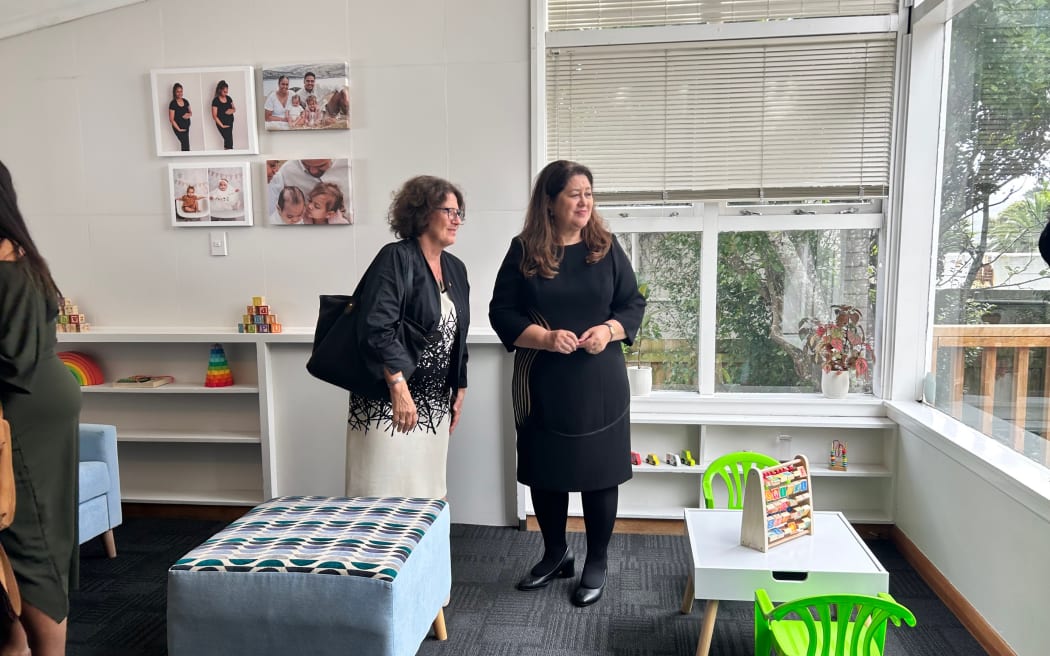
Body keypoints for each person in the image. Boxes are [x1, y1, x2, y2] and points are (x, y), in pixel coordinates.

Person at [488, 160, 645, 608]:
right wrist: (545, 337)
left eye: (589, 194)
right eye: (574, 193)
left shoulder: (606, 247)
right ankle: (555, 554)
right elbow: (502, 313)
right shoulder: (524, 251)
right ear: (550, 201)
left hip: (600, 379)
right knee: (547, 471)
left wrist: (609, 330)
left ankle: (597, 560)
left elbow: (632, 303)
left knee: (600, 474)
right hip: (543, 379)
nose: (584, 201)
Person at [344, 175, 470, 499]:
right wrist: (397, 386)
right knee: (382, 493)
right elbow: (376, 328)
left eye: (459, 213)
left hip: (433, 405)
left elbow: (458, 334)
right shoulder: (396, 257)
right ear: (423, 212)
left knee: (426, 493)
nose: (457, 220)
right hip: (390, 399)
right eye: (449, 211)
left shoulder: (455, 268)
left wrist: (461, 386)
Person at [0, 160, 81, 655]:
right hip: (43, 394)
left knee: (30, 538)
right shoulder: (21, 253)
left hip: (22, 407)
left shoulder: (3, 259)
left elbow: (12, 358)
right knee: (32, 534)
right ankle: (15, 644)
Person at [266, 159, 352, 221]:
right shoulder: (286, 172)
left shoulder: (350, 163)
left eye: (321, 165)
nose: (313, 171)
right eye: (306, 165)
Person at [210, 80, 236, 150]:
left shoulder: (229, 98)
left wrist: (232, 110)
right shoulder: (215, 101)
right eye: (224, 91)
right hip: (221, 124)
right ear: (219, 90)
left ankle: (228, 155)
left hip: (230, 122)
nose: (226, 93)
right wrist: (222, 125)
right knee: (229, 140)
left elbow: (234, 109)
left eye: (227, 91)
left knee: (228, 141)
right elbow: (214, 116)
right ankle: (230, 155)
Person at [168, 82, 192, 151]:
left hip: (186, 127)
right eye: (177, 92)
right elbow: (171, 119)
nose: (180, 93)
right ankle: (185, 160)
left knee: (185, 145)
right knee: (185, 145)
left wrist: (188, 115)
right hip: (178, 128)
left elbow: (191, 112)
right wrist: (178, 129)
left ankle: (185, 159)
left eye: (181, 91)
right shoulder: (173, 104)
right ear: (174, 92)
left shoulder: (186, 101)